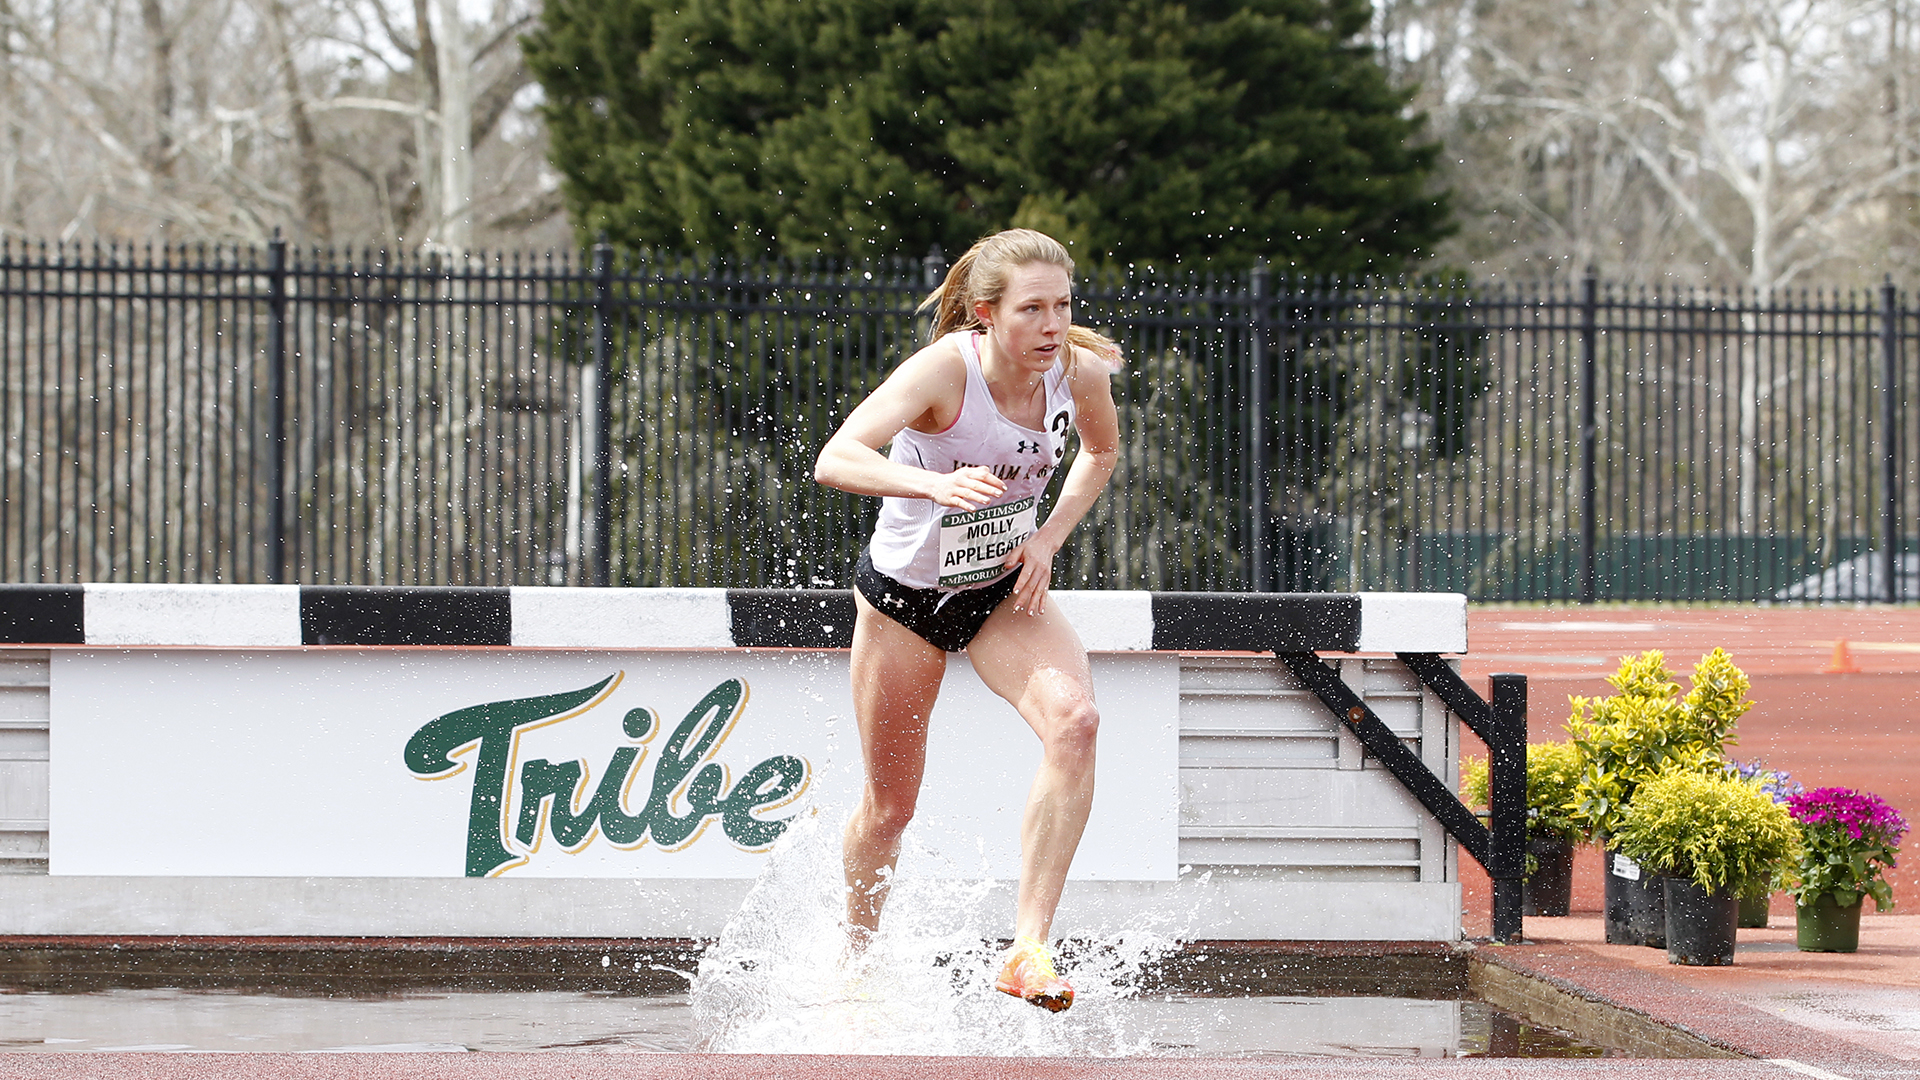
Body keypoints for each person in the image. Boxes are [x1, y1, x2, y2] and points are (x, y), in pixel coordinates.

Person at [812, 228, 1121, 1013]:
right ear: (987, 313)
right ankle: (855, 960)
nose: (1053, 326)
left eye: (1063, 306)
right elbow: (835, 457)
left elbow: (1100, 453)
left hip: (999, 593)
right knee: (891, 809)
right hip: (905, 601)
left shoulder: (1078, 371)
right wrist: (930, 486)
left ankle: (1027, 949)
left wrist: (1048, 538)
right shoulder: (947, 370)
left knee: (1076, 722)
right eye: (1032, 310)